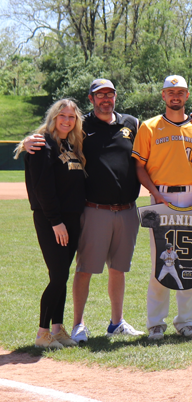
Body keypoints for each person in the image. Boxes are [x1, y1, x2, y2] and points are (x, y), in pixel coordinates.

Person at [20, 79, 145, 342]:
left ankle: (114, 322)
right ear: (91, 99)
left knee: (117, 269)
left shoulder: (132, 123)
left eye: (110, 94)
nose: (105, 99)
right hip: (92, 210)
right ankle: (75, 325)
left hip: (125, 209)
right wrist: (28, 140)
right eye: (100, 95)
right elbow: (50, 137)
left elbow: (155, 141)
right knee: (81, 269)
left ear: (115, 96)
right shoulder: (82, 125)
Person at [132, 75, 192, 340]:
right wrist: (155, 193)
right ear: (163, 95)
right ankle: (155, 323)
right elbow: (139, 167)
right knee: (159, 260)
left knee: (190, 260)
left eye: (180, 92)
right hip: (161, 197)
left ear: (187, 95)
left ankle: (185, 322)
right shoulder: (149, 127)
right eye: (171, 92)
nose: (175, 96)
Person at [16, 99, 87, 349]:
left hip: (71, 218)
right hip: (52, 220)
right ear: (54, 117)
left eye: (71, 117)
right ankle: (42, 333)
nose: (67, 121)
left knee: (62, 275)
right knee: (57, 276)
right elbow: (42, 187)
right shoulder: (41, 143)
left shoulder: (71, 144)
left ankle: (57, 329)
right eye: (62, 116)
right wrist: (56, 221)